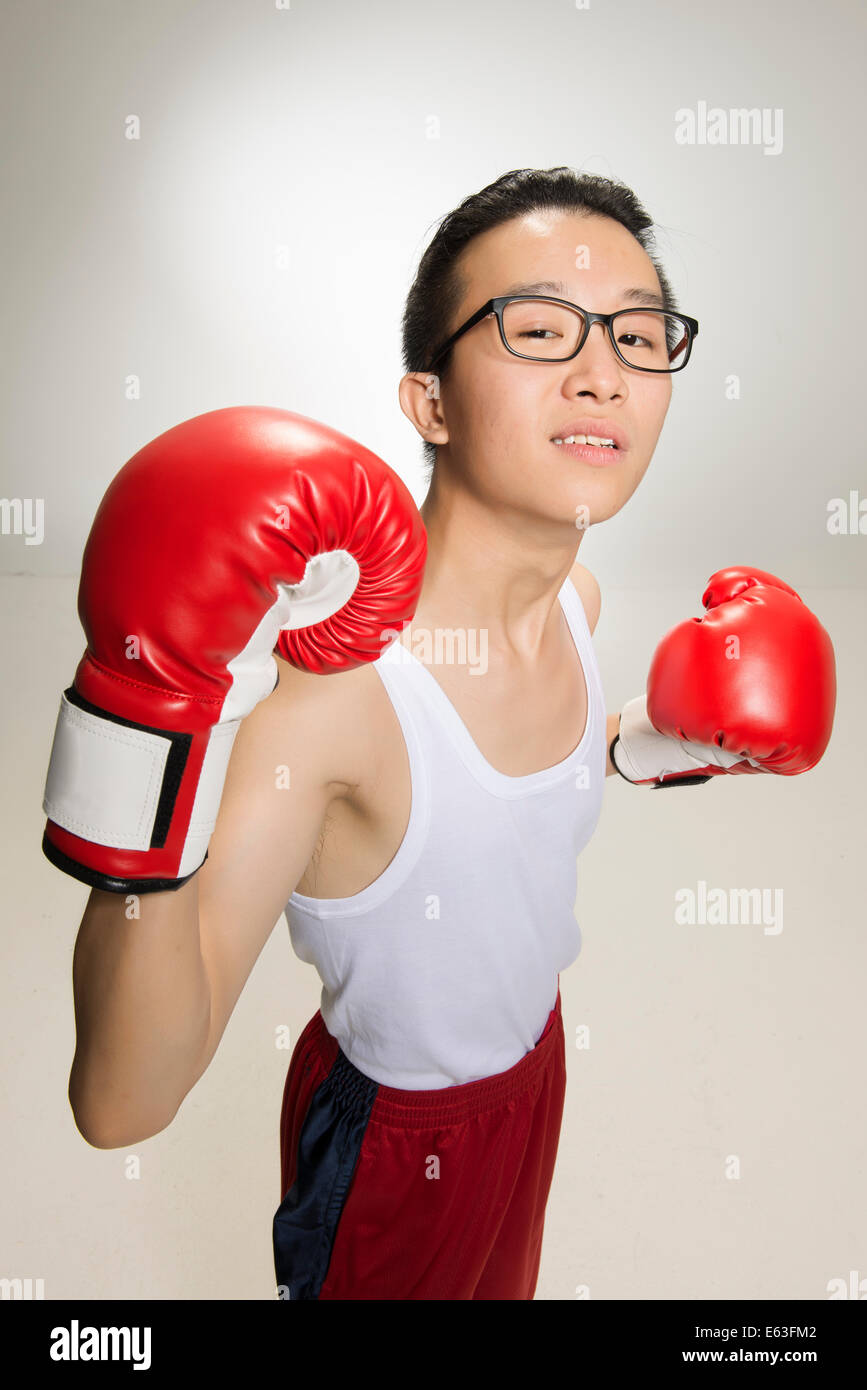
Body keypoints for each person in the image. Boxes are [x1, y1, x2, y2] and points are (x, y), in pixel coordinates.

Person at [44, 167, 835, 1301]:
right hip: (393, 1143)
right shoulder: (333, 708)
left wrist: (647, 742)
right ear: (431, 403)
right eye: (540, 328)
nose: (604, 373)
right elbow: (120, 1100)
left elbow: (501, 795)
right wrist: (142, 726)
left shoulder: (580, 605)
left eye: (641, 333)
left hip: (534, 1075)